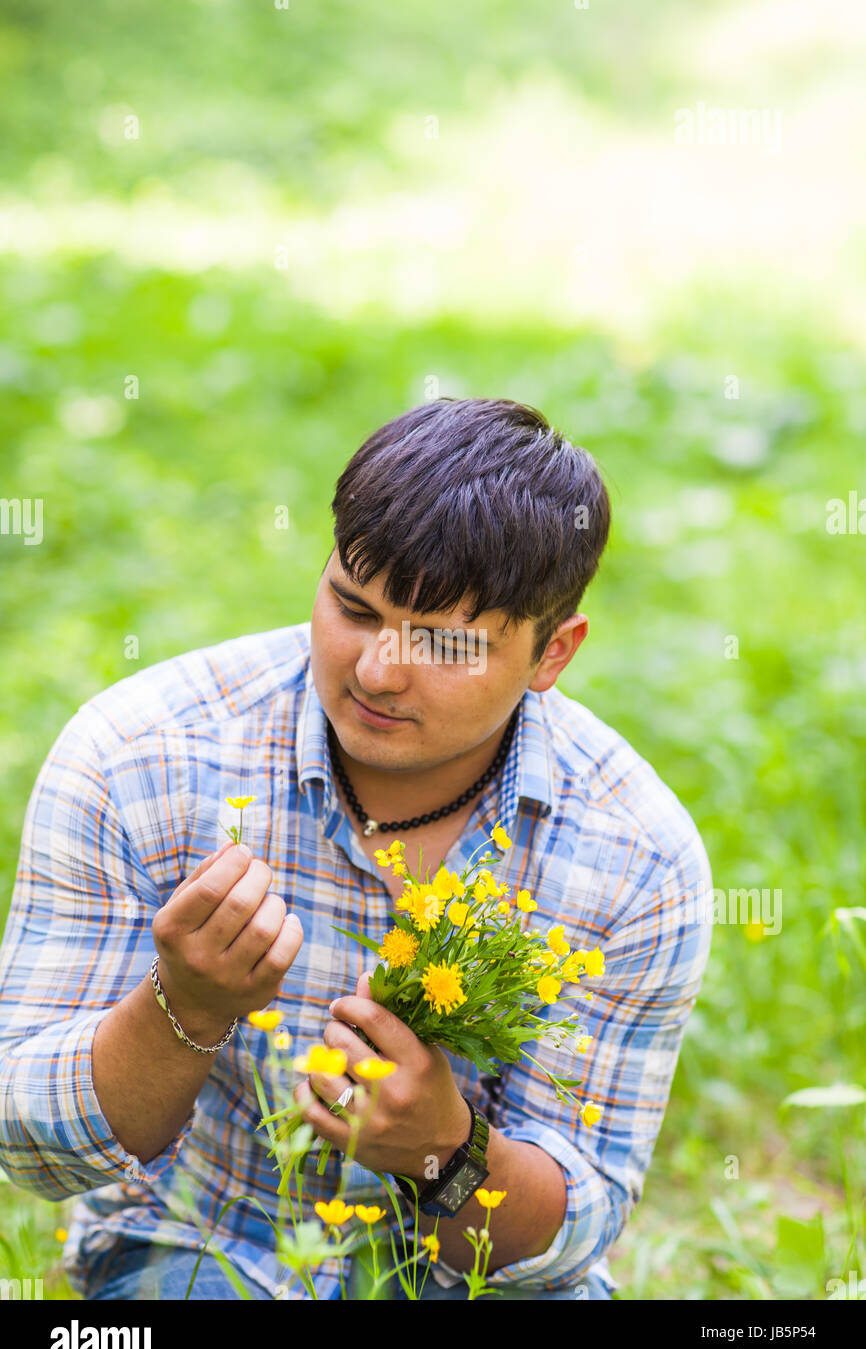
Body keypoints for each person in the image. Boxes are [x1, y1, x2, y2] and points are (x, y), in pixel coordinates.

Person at [0, 397, 713, 1300]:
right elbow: (24, 1140)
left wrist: (441, 1152)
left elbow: (570, 1234)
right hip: (208, 1244)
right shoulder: (140, 755)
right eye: (354, 608)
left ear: (552, 655)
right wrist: (184, 1008)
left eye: (446, 645)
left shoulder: (635, 856)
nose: (377, 671)